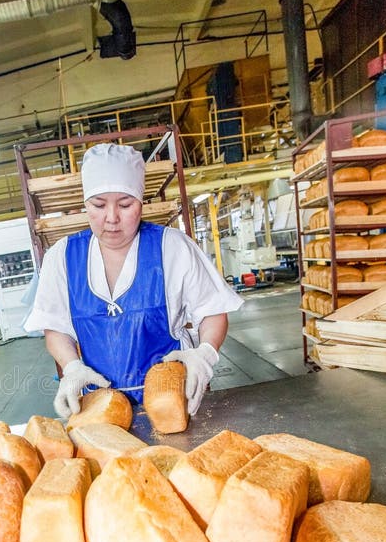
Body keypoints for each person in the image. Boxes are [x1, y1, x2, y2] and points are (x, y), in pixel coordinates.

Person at [24, 142, 243, 418]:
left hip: (174, 399)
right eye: (98, 205)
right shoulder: (62, 258)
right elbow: (55, 327)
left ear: (141, 202)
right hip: (100, 405)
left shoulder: (172, 247)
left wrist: (205, 354)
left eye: (125, 204)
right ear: (84, 205)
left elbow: (212, 310)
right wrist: (72, 368)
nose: (112, 218)